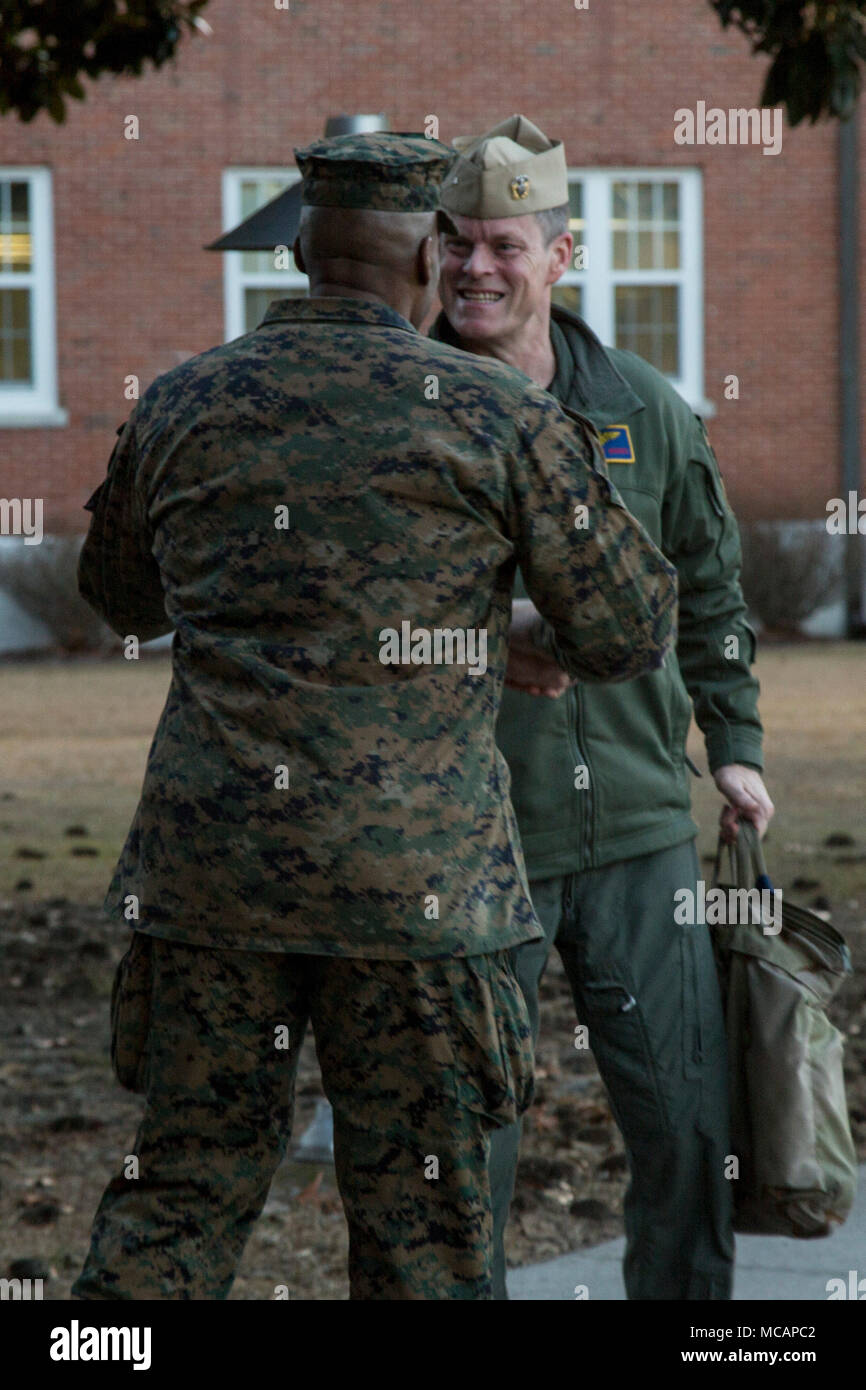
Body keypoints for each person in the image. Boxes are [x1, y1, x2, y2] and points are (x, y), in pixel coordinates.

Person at [71, 131, 678, 1301]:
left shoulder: (185, 400)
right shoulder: (494, 412)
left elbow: (118, 593)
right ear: (428, 260)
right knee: (425, 1226)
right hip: (417, 891)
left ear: (301, 250)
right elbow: (626, 630)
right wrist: (498, 636)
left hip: (213, 879)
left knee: (180, 1191)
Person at [432, 114, 775, 1301]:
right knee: (466, 1144)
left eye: (502, 245)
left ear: (557, 257)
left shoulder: (643, 407)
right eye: (454, 242)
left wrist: (731, 746)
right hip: (471, 838)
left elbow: (713, 588)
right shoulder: (403, 410)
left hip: (639, 831)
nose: (474, 266)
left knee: (684, 1124)